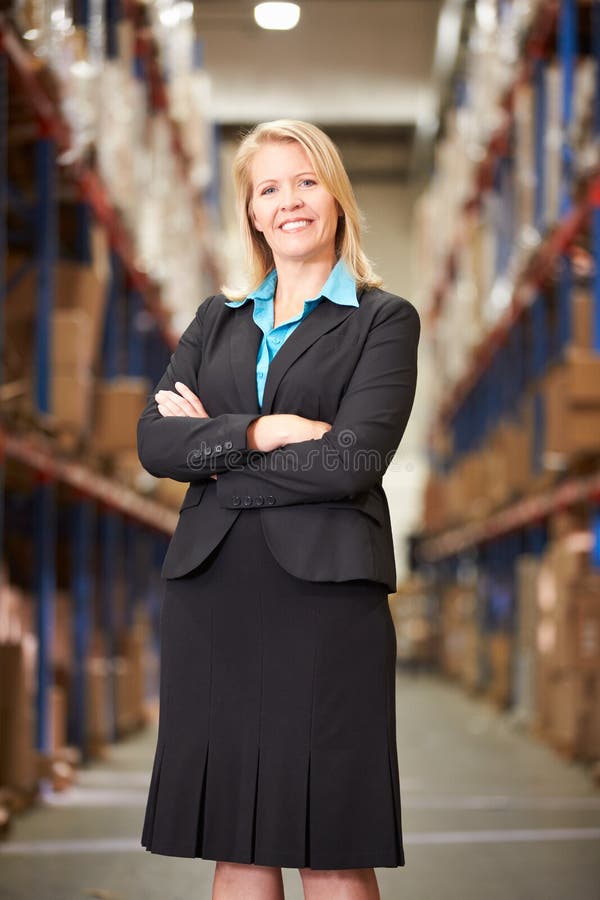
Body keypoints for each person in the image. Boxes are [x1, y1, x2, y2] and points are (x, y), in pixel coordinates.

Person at [138, 119, 420, 900]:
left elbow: (353, 462)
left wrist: (218, 457)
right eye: (269, 188)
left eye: (305, 181)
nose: (289, 200)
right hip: (215, 591)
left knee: (328, 842)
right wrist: (266, 429)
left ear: (335, 196)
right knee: (239, 845)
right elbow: (156, 444)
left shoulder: (382, 320)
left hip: (325, 599)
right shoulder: (213, 320)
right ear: (253, 214)